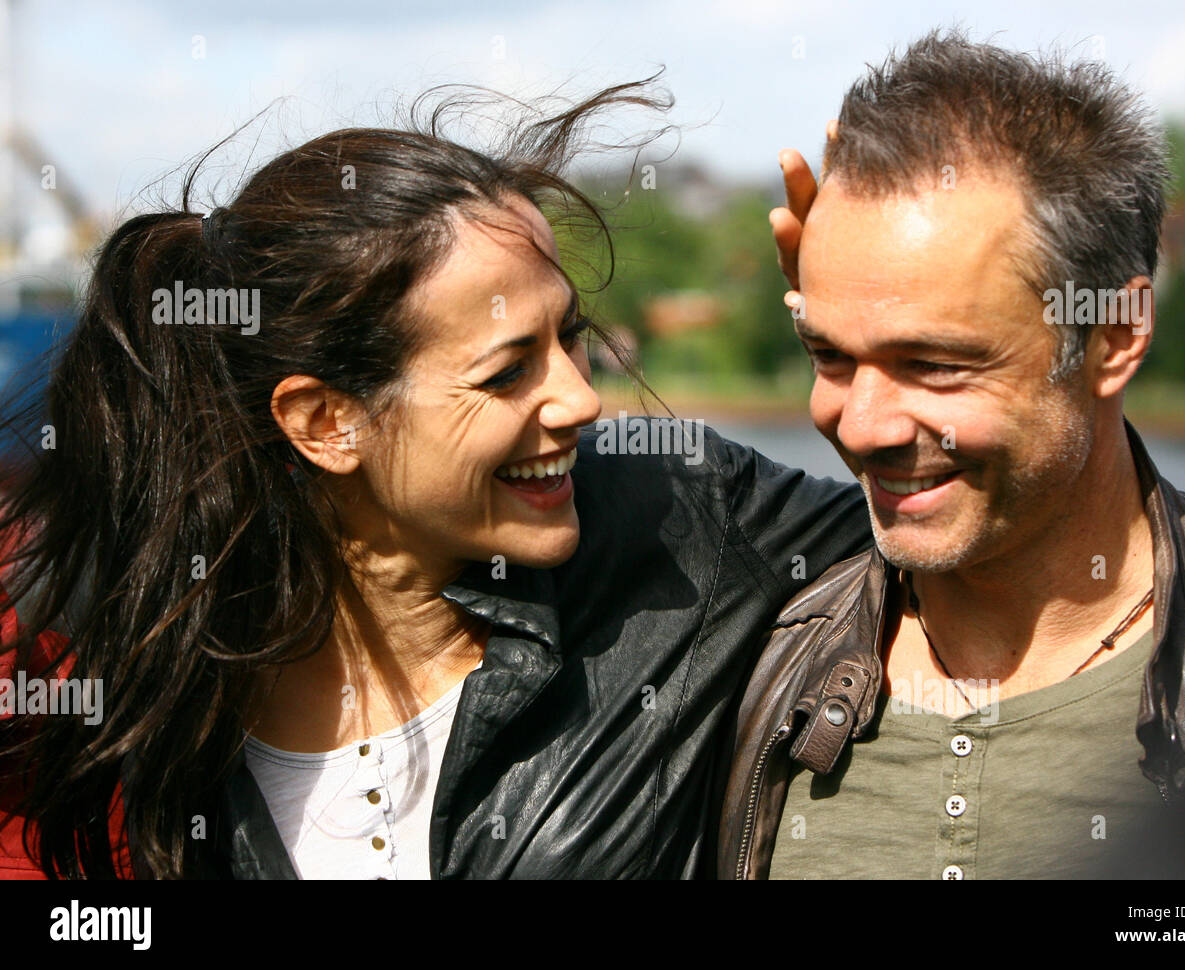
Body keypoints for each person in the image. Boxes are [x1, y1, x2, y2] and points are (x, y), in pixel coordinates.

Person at [0, 79, 871, 879]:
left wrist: (866, 350)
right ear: (325, 423)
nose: (579, 401)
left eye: (569, 337)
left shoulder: (678, 514)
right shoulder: (158, 677)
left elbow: (959, 543)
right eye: (505, 373)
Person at [717, 31, 1185, 879]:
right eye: (831, 356)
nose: (862, 425)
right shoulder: (744, 644)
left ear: (1113, 335)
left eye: (935, 364)